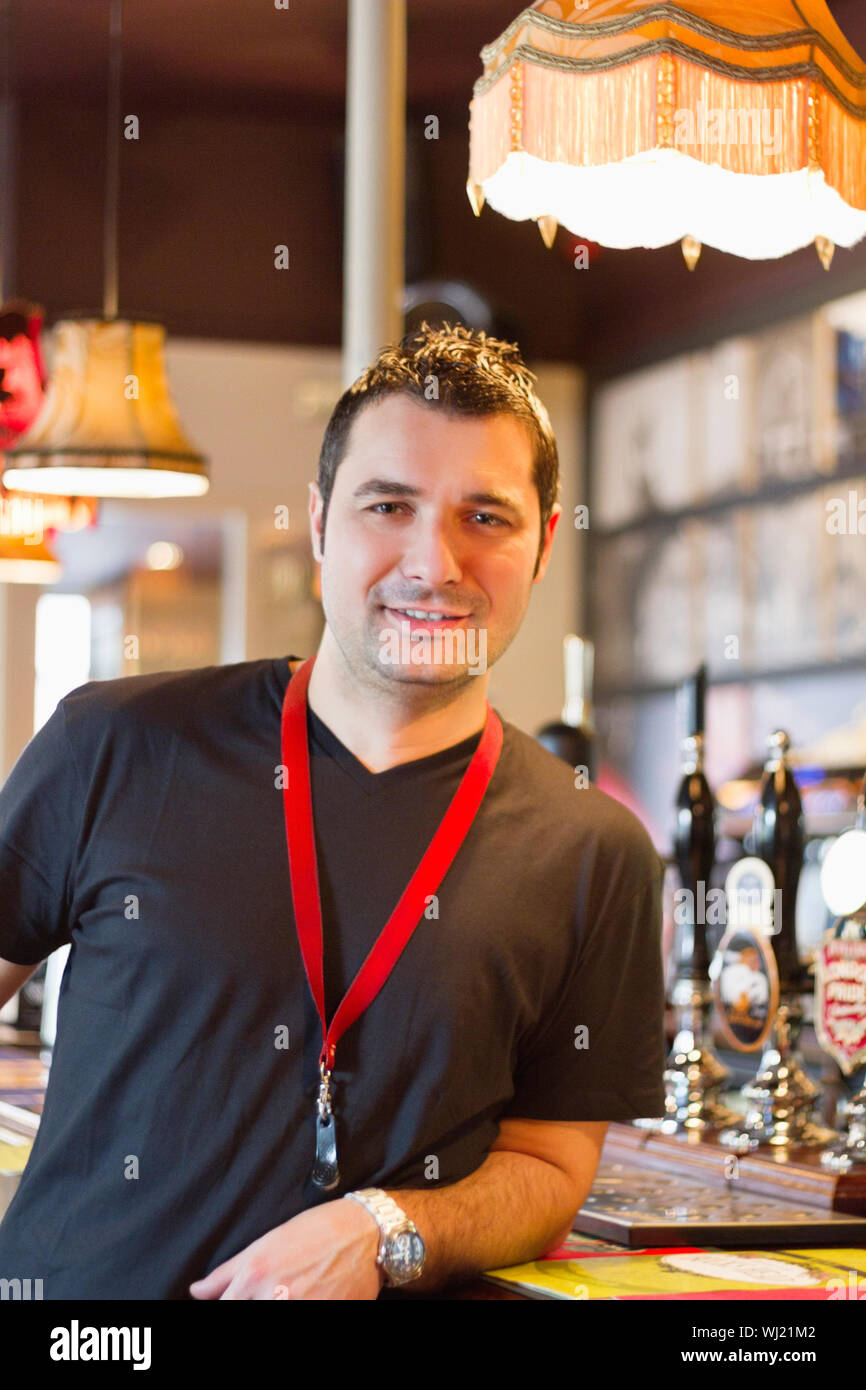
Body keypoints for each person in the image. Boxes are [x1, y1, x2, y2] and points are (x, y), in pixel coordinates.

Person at [0, 322, 666, 1300]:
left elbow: (549, 1170)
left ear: (542, 543)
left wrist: (388, 1226)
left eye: (484, 516)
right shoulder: (117, 743)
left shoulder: (595, 849)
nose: (432, 561)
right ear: (319, 524)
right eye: (387, 504)